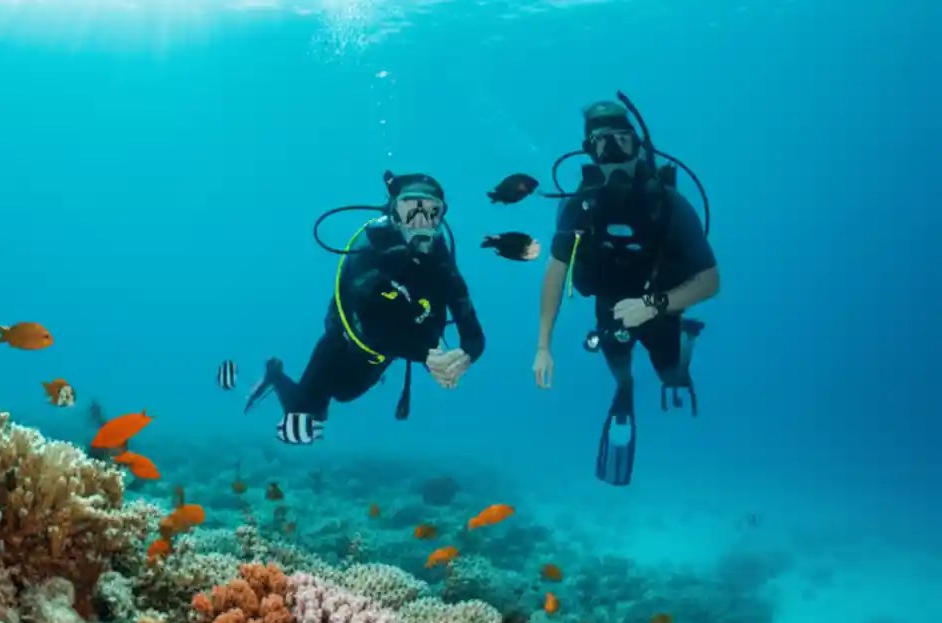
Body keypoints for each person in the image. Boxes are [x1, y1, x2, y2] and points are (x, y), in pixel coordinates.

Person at [532, 95, 720, 485]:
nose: (613, 152)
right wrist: (542, 346)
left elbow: (710, 280)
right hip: (610, 308)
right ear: (589, 152)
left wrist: (654, 306)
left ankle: (684, 342)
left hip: (662, 306)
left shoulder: (669, 204)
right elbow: (555, 271)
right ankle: (624, 393)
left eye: (622, 140)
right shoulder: (578, 208)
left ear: (639, 146)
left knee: (671, 377)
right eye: (602, 143)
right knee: (621, 375)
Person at [244, 171, 496, 444]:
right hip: (344, 342)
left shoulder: (440, 258)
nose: (420, 222)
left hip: (385, 352)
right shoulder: (371, 250)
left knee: (345, 394)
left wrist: (464, 358)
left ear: (440, 216)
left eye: (431, 212)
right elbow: (370, 328)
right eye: (411, 209)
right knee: (307, 413)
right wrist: (428, 356)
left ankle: (284, 378)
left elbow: (472, 330)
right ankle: (275, 373)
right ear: (394, 211)